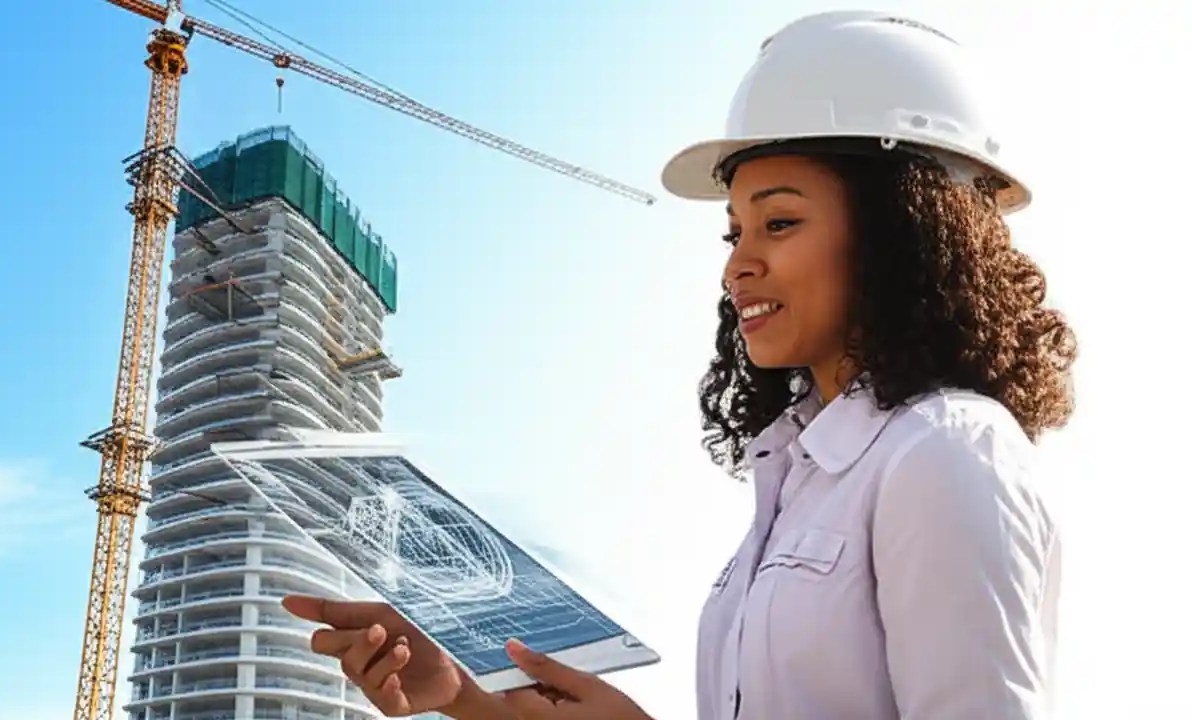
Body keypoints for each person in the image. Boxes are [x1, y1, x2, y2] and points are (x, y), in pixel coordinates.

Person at [280, 9, 1077, 719]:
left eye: (782, 222)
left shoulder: (947, 452)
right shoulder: (801, 470)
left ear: (904, 233)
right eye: (735, 234)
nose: (739, 268)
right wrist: (473, 697)